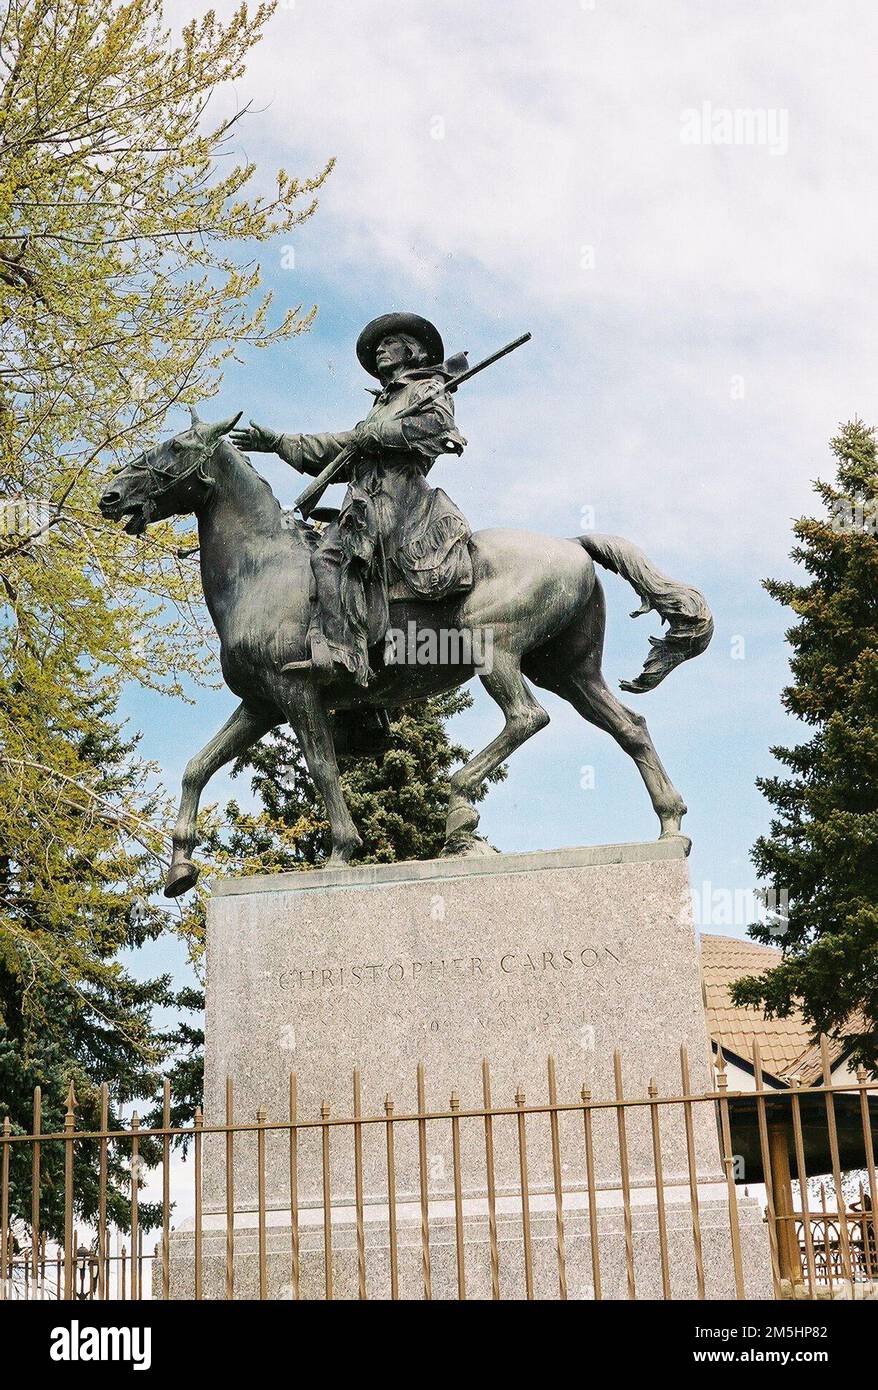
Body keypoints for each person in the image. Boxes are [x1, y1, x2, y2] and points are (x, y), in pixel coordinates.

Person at [231, 312, 473, 687]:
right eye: (379, 345)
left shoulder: (427, 389)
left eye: (389, 343)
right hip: (366, 498)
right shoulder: (383, 403)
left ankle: (345, 655)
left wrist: (378, 435)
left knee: (328, 557)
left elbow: (437, 428)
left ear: (412, 350)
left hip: (399, 497)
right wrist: (278, 442)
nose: (379, 349)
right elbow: (340, 447)